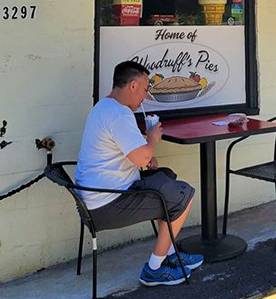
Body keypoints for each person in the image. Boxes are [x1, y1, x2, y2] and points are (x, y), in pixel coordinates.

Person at [76, 60, 202, 286]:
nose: (145, 96)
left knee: (167, 177)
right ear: (133, 86)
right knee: (184, 196)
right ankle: (154, 268)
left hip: (96, 199)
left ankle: (170, 253)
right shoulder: (119, 115)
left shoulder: (104, 108)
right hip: (108, 205)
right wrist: (152, 139)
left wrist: (145, 155)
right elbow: (142, 158)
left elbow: (135, 157)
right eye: (145, 89)